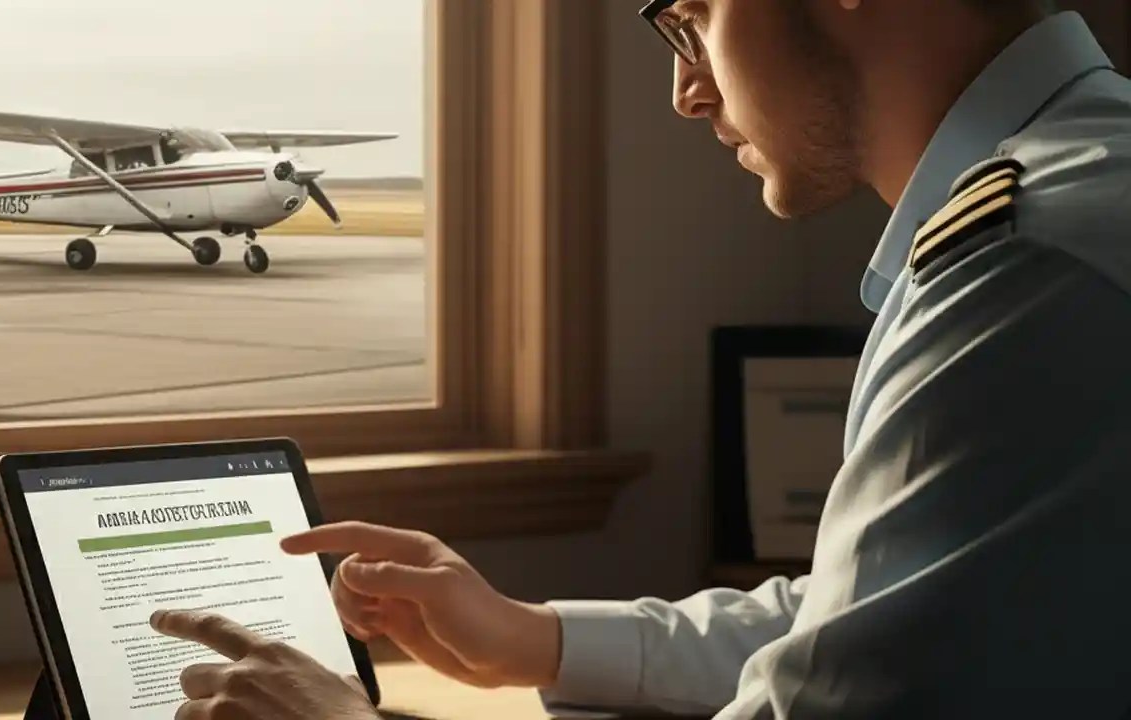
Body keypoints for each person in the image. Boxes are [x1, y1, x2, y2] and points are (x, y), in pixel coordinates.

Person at [150, 1, 1131, 717]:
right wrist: (534, 639)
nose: (684, 90)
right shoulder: (1075, 185)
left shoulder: (1027, 264)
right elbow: (875, 618)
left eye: (690, 17)